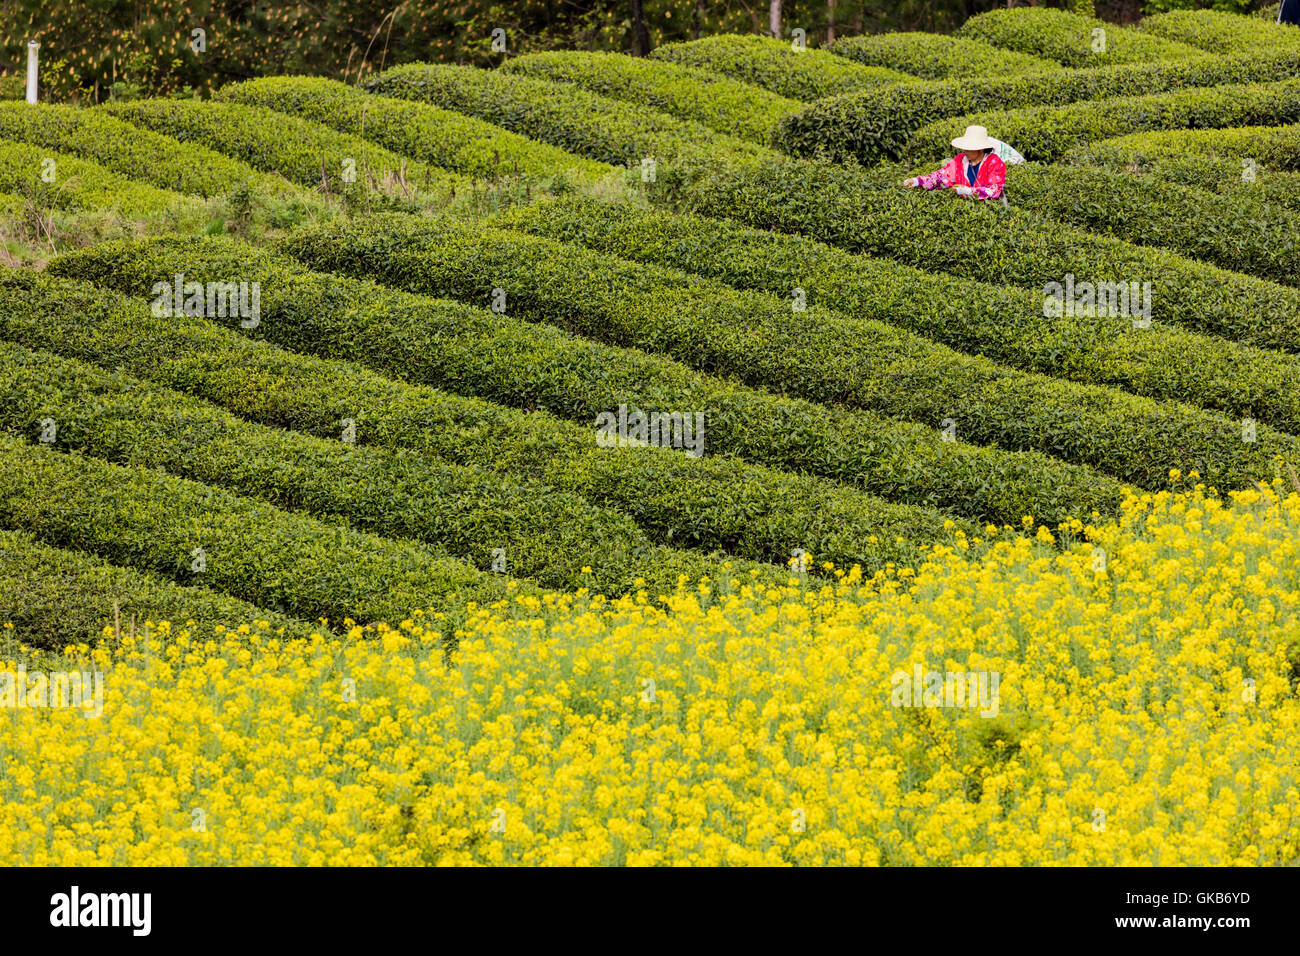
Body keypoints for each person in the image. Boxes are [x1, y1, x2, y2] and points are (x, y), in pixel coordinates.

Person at [902, 125, 1006, 201]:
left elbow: (995, 190)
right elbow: (941, 176)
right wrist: (917, 181)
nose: (966, 150)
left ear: (981, 148)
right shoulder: (960, 160)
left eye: (970, 148)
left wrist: (969, 192)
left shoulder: (995, 163)